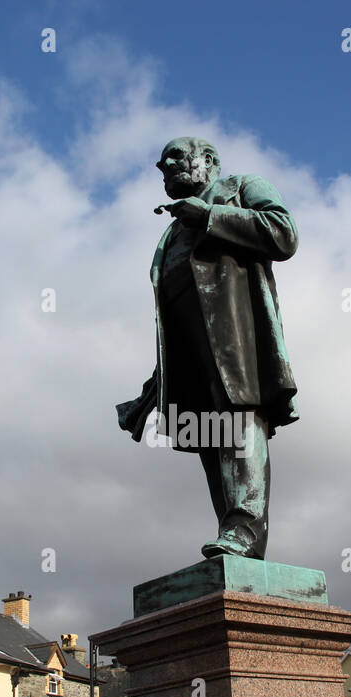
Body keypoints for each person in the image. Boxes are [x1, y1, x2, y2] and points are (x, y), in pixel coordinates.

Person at [117, 137, 299, 560]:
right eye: (163, 164)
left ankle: (245, 530)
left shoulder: (241, 187)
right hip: (189, 358)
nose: (168, 167)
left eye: (178, 157)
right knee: (208, 438)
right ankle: (233, 537)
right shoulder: (170, 233)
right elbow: (174, 322)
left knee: (239, 419)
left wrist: (212, 215)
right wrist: (153, 389)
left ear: (209, 161)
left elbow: (285, 234)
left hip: (237, 342)